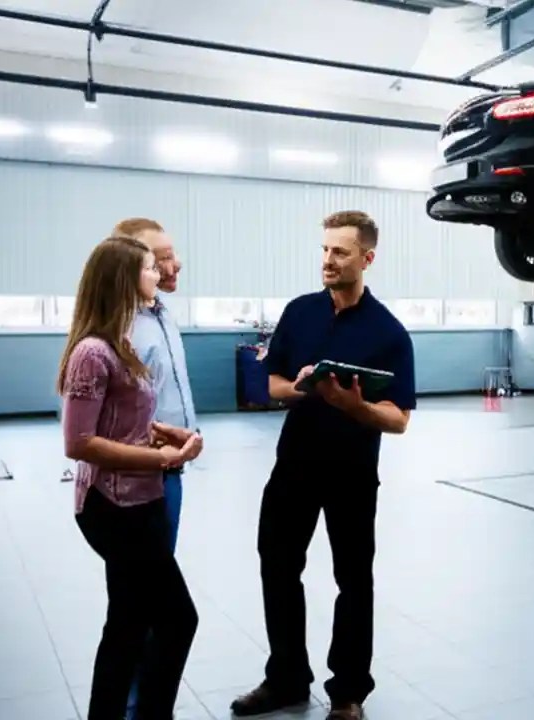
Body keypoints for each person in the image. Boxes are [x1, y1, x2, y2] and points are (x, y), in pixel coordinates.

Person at [231, 211, 416, 720]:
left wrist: (349, 405)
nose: (328, 261)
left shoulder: (389, 333)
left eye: (340, 252)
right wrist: (304, 386)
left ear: (367, 259)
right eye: (325, 250)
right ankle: (286, 678)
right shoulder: (300, 313)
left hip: (353, 473)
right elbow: (268, 385)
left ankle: (349, 692)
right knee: (278, 566)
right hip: (293, 465)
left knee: (353, 579)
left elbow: (398, 419)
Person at [58, 235, 201, 720]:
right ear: (124, 280)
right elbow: (79, 443)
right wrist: (161, 460)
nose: (159, 275)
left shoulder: (124, 345)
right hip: (112, 506)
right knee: (177, 620)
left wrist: (168, 436)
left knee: (128, 622)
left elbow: (128, 423)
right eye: (148, 268)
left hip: (142, 500)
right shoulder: (93, 353)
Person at [111, 217, 203, 720]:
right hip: (137, 481)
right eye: (160, 258)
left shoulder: (161, 313)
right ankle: (132, 708)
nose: (175, 264)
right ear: (133, 266)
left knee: (148, 597)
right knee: (140, 601)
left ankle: (147, 703)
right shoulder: (119, 326)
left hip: (170, 474)